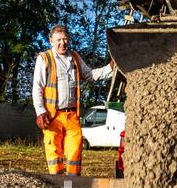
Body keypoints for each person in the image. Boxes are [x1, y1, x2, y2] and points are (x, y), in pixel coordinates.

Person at [31, 23, 115, 176]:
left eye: (65, 39)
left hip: (72, 116)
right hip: (52, 117)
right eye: (58, 40)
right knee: (54, 152)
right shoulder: (45, 59)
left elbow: (90, 75)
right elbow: (37, 87)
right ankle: (57, 185)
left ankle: (73, 186)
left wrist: (111, 67)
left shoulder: (74, 57)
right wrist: (40, 112)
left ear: (68, 39)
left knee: (75, 151)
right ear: (51, 40)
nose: (62, 43)